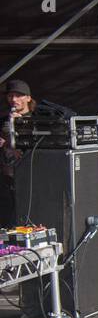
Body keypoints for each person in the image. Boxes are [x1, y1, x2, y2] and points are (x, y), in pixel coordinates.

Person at [0, 79, 36, 227]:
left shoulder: (36, 119)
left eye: (18, 96)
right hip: (6, 180)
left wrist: (20, 126)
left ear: (28, 97)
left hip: (29, 179)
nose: (14, 100)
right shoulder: (3, 121)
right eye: (10, 96)